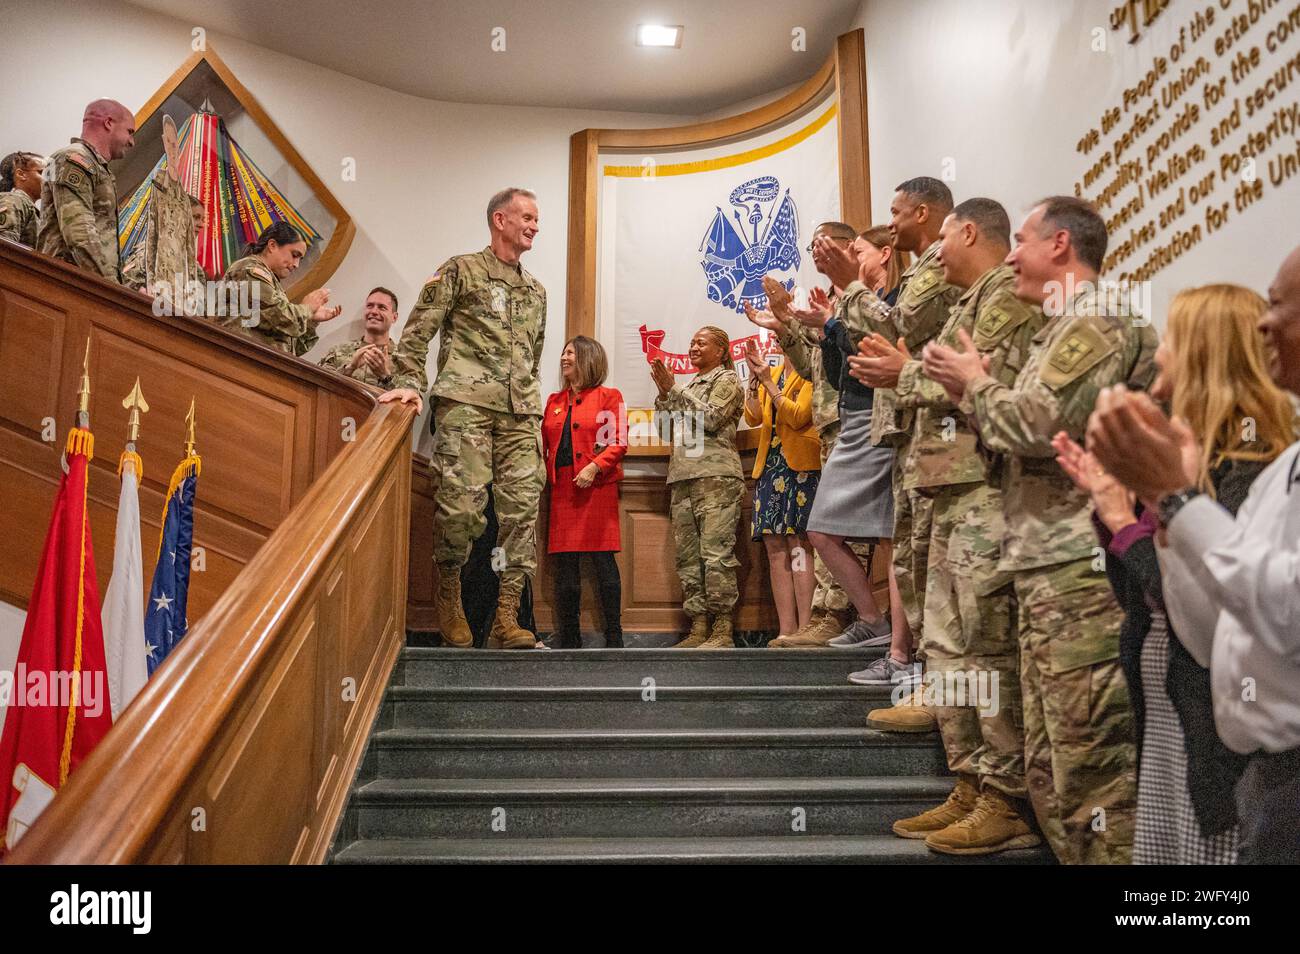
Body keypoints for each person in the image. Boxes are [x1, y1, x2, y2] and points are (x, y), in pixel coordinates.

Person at [922, 196, 1157, 864]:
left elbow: (1032, 425)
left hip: (1080, 571)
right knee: (1051, 768)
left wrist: (975, 387)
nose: (1013, 254)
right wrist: (988, 392)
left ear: (1059, 245)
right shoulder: (1059, 329)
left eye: (1021, 239)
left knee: (1092, 775)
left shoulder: (1096, 321)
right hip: (1047, 566)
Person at [1086, 246, 1300, 864]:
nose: (1265, 322)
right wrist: (1158, 510)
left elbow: (1283, 609)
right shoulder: (1282, 467)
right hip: (1251, 762)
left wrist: (1160, 506)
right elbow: (1209, 632)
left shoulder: (1253, 462)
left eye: (1280, 305)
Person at [850, 199, 1044, 855]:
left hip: (979, 490)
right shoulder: (967, 303)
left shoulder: (1006, 296)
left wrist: (901, 372)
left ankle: (1005, 799)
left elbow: (978, 380)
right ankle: (969, 783)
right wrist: (903, 370)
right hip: (942, 486)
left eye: (939, 248)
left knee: (984, 650)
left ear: (965, 231)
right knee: (952, 648)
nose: (932, 259)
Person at [379, 188, 547, 651]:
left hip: (520, 413)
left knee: (521, 515)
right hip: (465, 406)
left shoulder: (537, 291)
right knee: (462, 510)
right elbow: (418, 331)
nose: (534, 226)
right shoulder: (460, 270)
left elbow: (532, 356)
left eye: (537, 219)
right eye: (527, 217)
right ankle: (449, 598)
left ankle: (506, 618)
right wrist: (411, 380)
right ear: (500, 219)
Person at [742, 221, 879, 650]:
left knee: (836, 527)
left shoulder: (862, 299)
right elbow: (809, 366)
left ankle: (838, 612)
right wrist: (784, 326)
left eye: (823, 242)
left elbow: (859, 354)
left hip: (858, 420)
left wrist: (791, 320)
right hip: (832, 424)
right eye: (811, 244)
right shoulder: (832, 300)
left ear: (848, 247)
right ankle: (826, 612)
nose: (814, 251)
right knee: (825, 528)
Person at [652, 326, 744, 649]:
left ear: (720, 350)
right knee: (688, 559)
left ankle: (722, 629)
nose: (693, 347)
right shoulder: (688, 386)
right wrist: (664, 396)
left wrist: (673, 390)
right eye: (691, 342)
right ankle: (699, 625)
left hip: (717, 478)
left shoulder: (727, 380)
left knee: (716, 554)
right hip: (682, 479)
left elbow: (713, 419)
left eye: (701, 343)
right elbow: (664, 432)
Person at [543, 336, 627, 649]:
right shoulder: (553, 401)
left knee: (603, 562)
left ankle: (614, 636)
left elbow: (616, 441)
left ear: (588, 359)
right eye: (564, 352)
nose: (564, 358)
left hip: (595, 488)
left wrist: (593, 467)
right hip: (562, 488)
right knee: (565, 566)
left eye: (571, 354)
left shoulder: (608, 397)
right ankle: (569, 636)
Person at [741, 337, 819, 639]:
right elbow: (754, 416)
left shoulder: (810, 371)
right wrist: (753, 382)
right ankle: (786, 629)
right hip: (770, 468)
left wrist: (769, 387)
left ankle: (806, 627)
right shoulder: (770, 375)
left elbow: (798, 417)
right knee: (775, 550)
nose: (778, 341)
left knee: (799, 546)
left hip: (800, 469)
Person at [37, 99, 135, 282]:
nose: (132, 142)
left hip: (82, 283)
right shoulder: (73, 158)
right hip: (66, 282)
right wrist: (111, 290)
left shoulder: (95, 166)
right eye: (129, 132)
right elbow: (79, 234)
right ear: (108, 123)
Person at [220, 221, 341, 356]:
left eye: (300, 259)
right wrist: (306, 308)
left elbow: (289, 347)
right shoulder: (249, 270)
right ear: (272, 245)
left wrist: (311, 320)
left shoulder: (270, 280)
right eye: (294, 255)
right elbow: (279, 317)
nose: (296, 264)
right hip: (236, 360)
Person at [120, 115, 202, 301]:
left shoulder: (192, 265)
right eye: (194, 217)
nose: (199, 224)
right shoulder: (147, 252)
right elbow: (129, 283)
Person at [318, 287, 401, 388]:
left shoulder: (405, 360)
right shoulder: (338, 351)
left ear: (394, 317)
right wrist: (349, 369)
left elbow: (412, 400)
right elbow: (319, 387)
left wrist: (385, 376)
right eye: (370, 306)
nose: (374, 311)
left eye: (382, 307)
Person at [0, 151, 44, 247]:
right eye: (42, 172)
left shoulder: (29, 207)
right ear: (21, 174)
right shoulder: (13, 201)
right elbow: (4, 248)